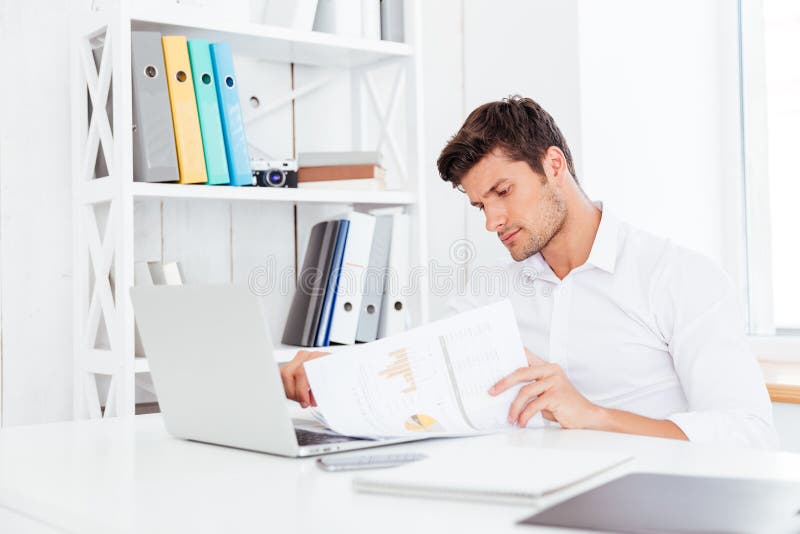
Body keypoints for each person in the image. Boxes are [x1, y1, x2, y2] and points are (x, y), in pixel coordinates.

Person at [281, 95, 778, 449]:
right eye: (480, 206)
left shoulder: (678, 277)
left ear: (554, 165)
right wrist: (332, 370)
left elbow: (749, 433)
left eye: (502, 192)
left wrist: (593, 415)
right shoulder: (492, 289)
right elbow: (418, 370)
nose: (493, 221)